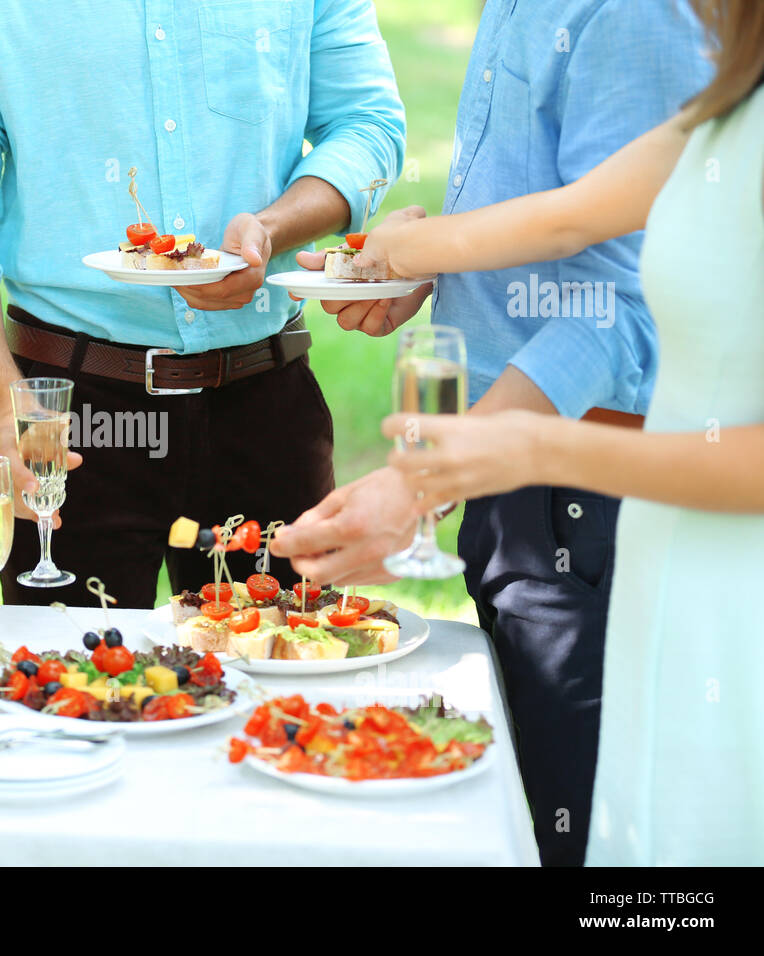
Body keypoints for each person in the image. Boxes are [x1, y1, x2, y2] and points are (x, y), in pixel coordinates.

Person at [271, 0, 712, 866]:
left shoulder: (628, 13)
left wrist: (425, 478)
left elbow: (621, 306)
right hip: (518, 489)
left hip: (586, 501)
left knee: (583, 845)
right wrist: (425, 259)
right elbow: (550, 220)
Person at [0, 0, 405, 608]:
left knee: (287, 680)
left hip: (267, 406)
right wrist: (3, 405)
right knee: (73, 688)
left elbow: (367, 124)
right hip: (70, 419)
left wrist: (270, 229)